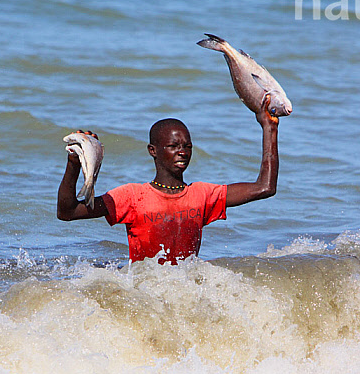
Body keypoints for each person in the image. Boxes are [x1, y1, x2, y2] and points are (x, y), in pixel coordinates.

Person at [57, 94, 280, 264]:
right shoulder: (132, 197)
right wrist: (74, 164)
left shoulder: (202, 195)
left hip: (184, 293)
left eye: (187, 146)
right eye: (173, 146)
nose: (182, 152)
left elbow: (265, 187)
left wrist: (269, 128)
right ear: (153, 150)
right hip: (145, 293)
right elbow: (67, 212)